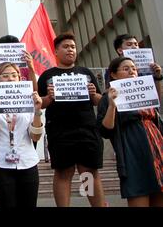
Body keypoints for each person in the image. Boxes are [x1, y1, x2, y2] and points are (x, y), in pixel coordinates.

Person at [38, 32, 106, 207]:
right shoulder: (47, 75)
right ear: (56, 51)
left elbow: (99, 101)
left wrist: (94, 94)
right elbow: (40, 103)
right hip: (59, 132)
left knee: (88, 172)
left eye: (73, 47)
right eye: (66, 47)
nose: (70, 50)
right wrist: (50, 97)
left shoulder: (86, 73)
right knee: (62, 172)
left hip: (87, 129)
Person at [0, 34, 38, 207]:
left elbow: (35, 93)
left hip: (25, 155)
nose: (10, 78)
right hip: (0, 152)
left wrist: (31, 68)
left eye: (13, 76)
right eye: (5, 76)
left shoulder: (25, 75)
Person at [97, 57, 163, 207]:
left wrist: (157, 79)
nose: (132, 71)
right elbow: (105, 130)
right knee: (139, 195)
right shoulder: (108, 97)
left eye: (133, 68)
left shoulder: (145, 91)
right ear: (113, 74)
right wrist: (112, 105)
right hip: (132, 152)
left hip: (156, 148)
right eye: (126, 69)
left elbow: (157, 109)